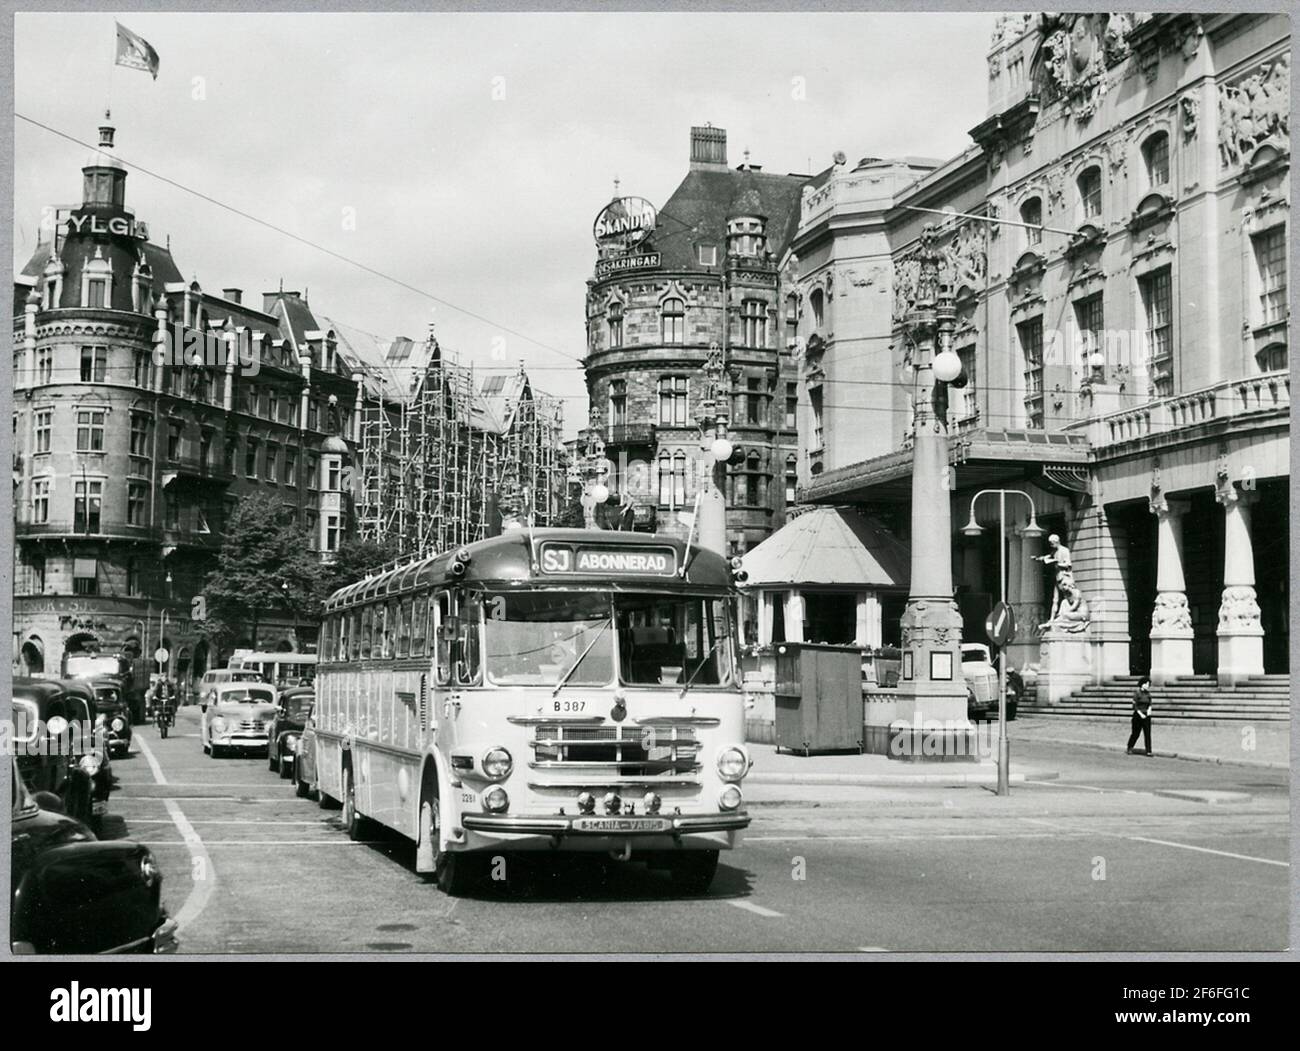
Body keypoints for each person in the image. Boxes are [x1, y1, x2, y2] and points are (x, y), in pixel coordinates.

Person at [1126, 676, 1153, 756]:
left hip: (1146, 715)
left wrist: (1149, 710)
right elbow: (1134, 706)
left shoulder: (1148, 694)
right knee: (1136, 733)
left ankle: (1148, 750)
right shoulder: (1137, 693)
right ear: (1142, 684)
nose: (1148, 686)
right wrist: (1141, 714)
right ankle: (1130, 747)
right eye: (1146, 684)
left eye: (1148, 684)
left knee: (1147, 733)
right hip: (1138, 715)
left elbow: (1150, 703)